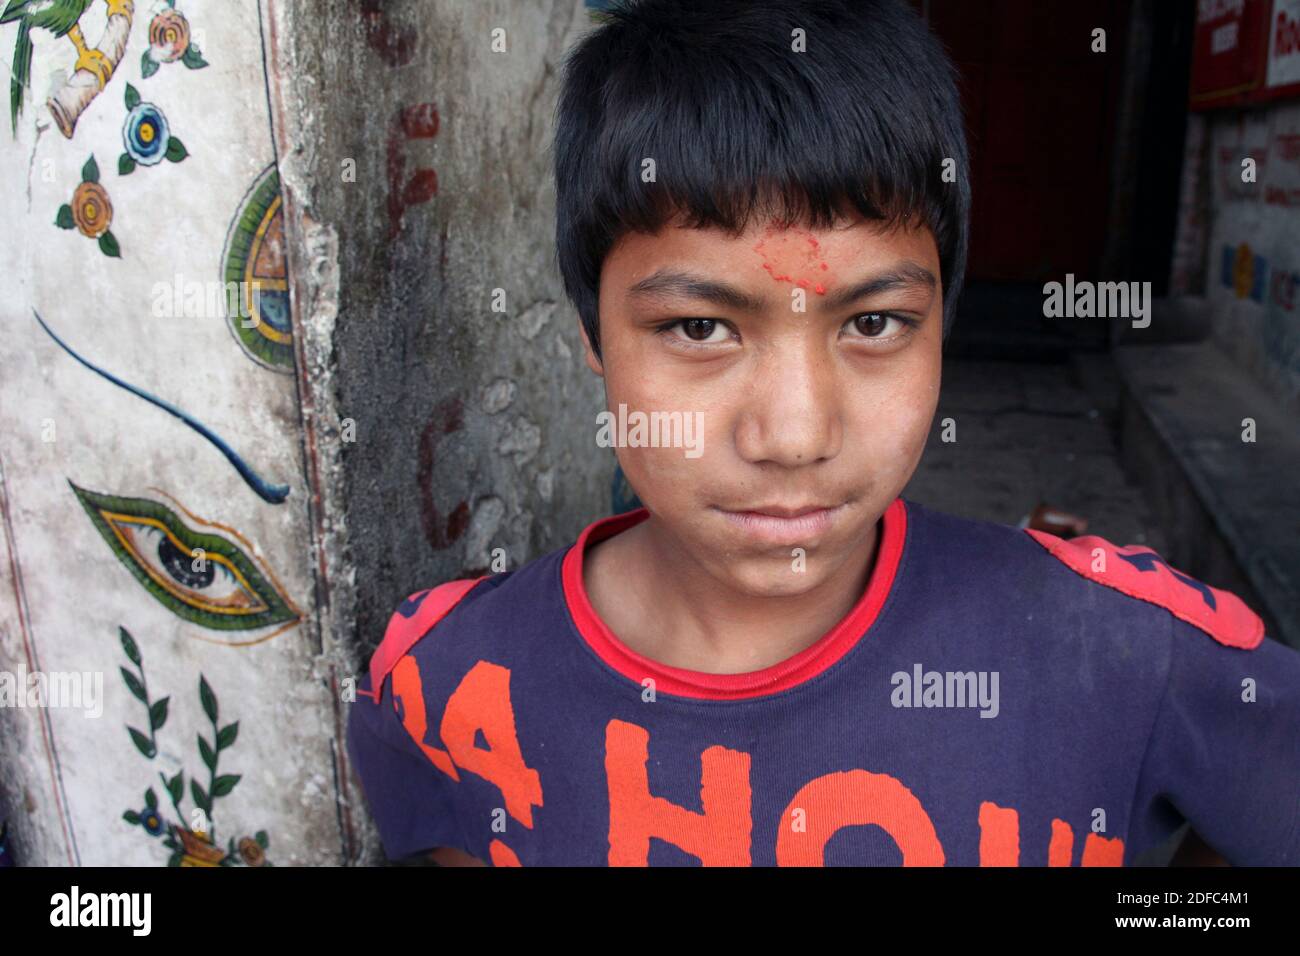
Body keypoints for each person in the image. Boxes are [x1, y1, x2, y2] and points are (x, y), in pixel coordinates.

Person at [346, 0, 1300, 866]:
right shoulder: (450, 685)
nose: (796, 435)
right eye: (700, 328)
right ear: (594, 337)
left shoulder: (1125, 659)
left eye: (873, 323)